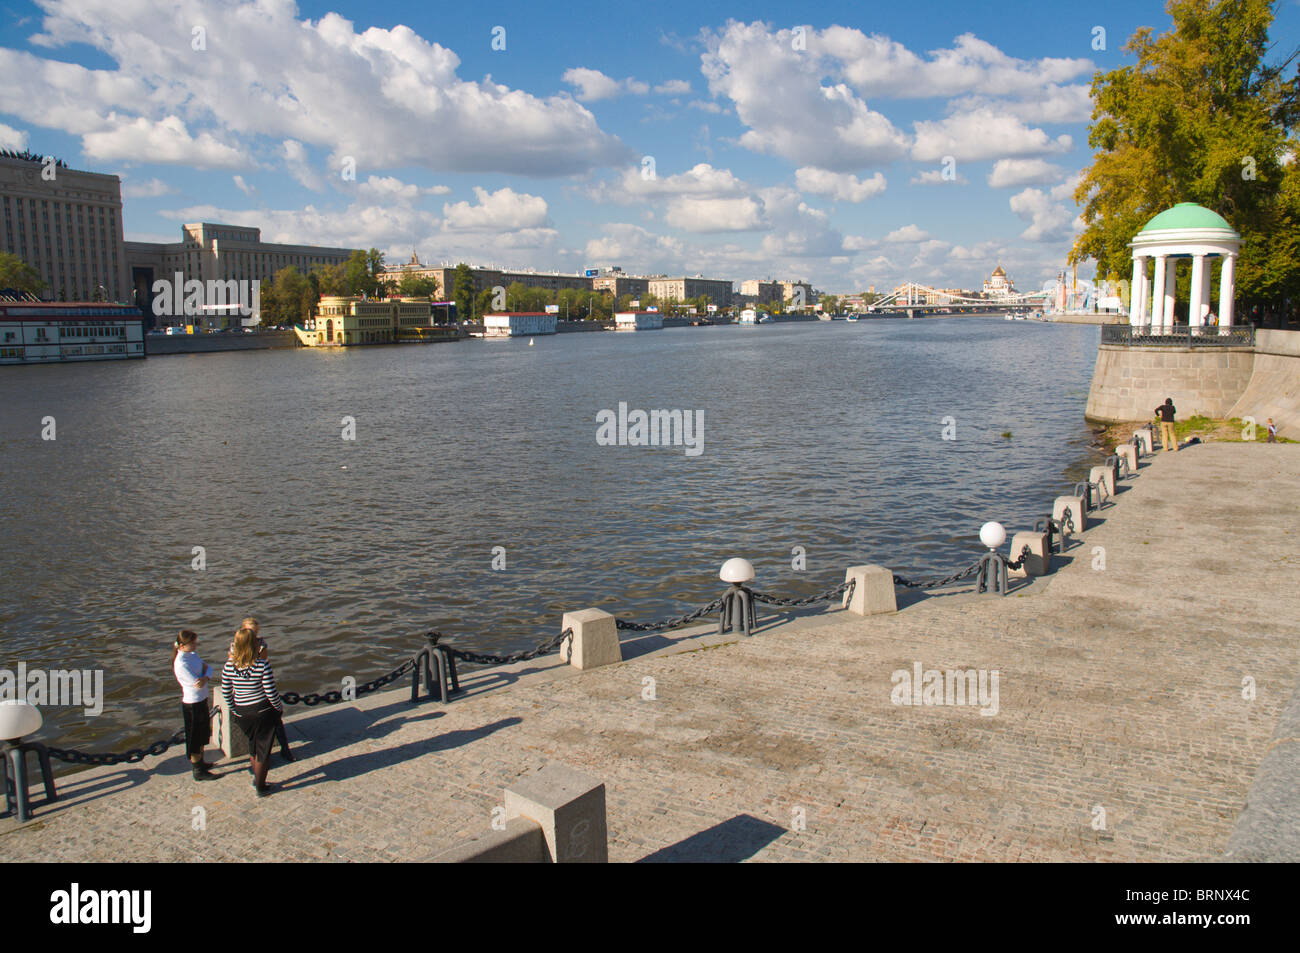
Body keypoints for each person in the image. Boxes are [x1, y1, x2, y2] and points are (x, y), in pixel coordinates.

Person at [221, 625, 284, 796]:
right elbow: (271, 692)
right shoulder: (262, 665)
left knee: (253, 745)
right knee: (263, 751)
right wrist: (278, 708)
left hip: (242, 711)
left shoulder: (229, 666)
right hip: (262, 710)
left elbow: (226, 692)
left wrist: (235, 710)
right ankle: (261, 786)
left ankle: (256, 778)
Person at [229, 616, 293, 762]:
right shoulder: (235, 644)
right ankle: (259, 759)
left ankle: (285, 748)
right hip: (248, 689)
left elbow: (263, 661)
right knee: (258, 731)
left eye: (256, 632)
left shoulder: (261, 643)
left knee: (276, 721)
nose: (254, 635)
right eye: (252, 632)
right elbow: (233, 664)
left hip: (259, 685)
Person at [172, 630, 215, 781]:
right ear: (183, 645)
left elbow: (208, 668)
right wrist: (204, 677)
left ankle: (201, 762)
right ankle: (197, 769)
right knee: (195, 737)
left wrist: (206, 677)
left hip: (201, 699)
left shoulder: (192, 655)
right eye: (192, 643)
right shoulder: (180, 663)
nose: (195, 645)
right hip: (192, 703)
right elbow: (196, 683)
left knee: (203, 733)